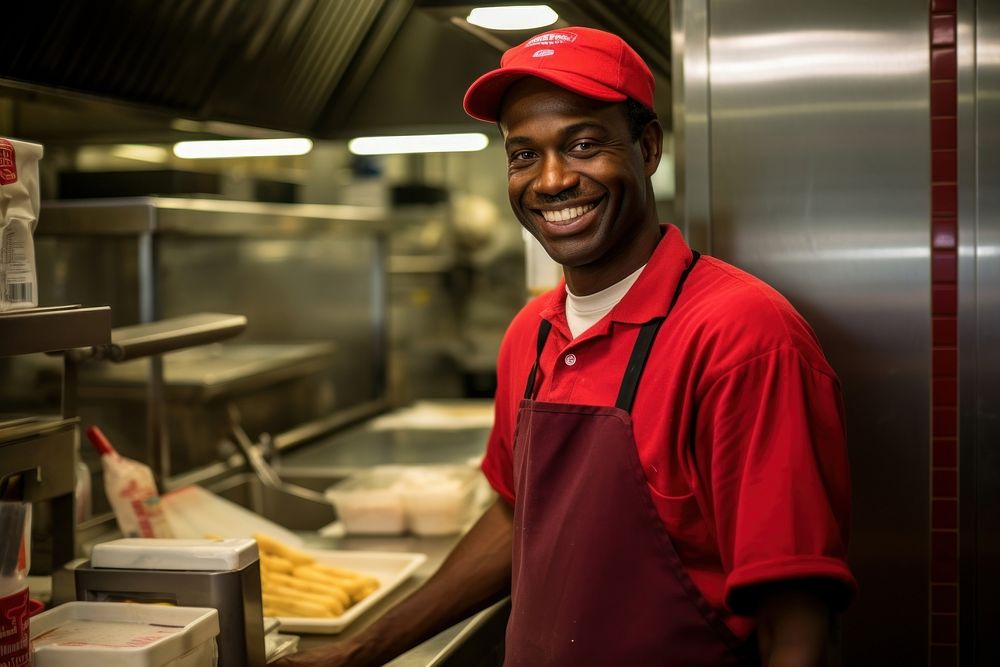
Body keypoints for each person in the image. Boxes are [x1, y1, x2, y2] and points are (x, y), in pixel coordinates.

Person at [277, 26, 855, 667]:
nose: (551, 181)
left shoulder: (742, 335)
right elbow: (516, 517)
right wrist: (361, 652)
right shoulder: (532, 331)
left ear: (648, 148)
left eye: (582, 145)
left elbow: (797, 623)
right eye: (523, 155)